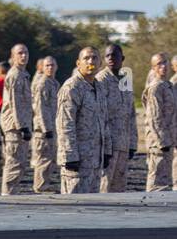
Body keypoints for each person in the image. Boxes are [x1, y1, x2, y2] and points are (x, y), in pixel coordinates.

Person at [57, 47, 108, 193]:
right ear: (78, 63)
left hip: (94, 160)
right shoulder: (72, 88)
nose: (90, 61)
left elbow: (104, 120)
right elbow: (64, 124)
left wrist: (107, 150)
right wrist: (69, 155)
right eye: (86, 58)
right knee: (74, 207)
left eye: (94, 58)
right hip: (77, 162)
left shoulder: (99, 87)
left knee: (92, 208)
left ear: (100, 63)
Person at [98, 44, 135, 192]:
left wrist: (132, 143)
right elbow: (99, 115)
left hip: (123, 143)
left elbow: (130, 113)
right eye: (108, 56)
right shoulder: (100, 80)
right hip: (108, 144)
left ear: (122, 58)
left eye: (114, 55)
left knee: (119, 187)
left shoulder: (126, 80)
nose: (111, 58)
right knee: (104, 186)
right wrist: (104, 147)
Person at [0, 44, 33, 194]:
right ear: (13, 57)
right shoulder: (15, 75)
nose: (23, 56)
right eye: (20, 53)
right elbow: (15, 103)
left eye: (26, 53)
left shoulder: (23, 74)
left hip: (20, 125)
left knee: (19, 164)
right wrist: (22, 127)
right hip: (15, 127)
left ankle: (12, 193)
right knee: (13, 164)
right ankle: (7, 195)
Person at [142, 54, 175, 191]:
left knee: (166, 180)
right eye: (159, 64)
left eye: (165, 63)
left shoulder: (168, 86)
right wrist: (162, 142)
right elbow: (154, 118)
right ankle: (152, 208)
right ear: (153, 68)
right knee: (157, 181)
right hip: (159, 143)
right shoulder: (155, 87)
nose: (163, 66)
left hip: (169, 140)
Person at [31, 56, 60, 193]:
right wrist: (45, 128)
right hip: (44, 129)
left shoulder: (54, 83)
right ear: (42, 67)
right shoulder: (42, 84)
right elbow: (40, 108)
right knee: (43, 158)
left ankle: (44, 183)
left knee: (50, 158)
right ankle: (40, 186)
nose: (50, 67)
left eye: (52, 65)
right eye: (47, 65)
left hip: (53, 126)